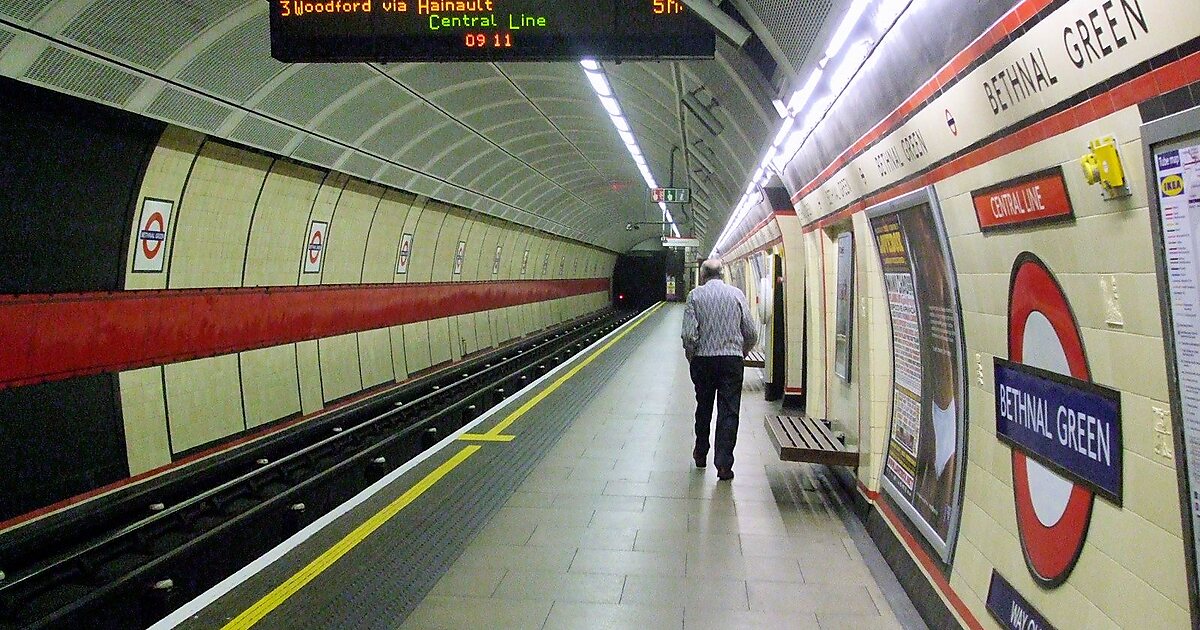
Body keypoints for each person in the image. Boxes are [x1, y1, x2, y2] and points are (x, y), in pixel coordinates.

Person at [681, 258, 758, 480]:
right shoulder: (737, 295)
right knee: (728, 411)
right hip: (731, 362)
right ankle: (724, 465)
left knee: (703, 406)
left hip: (703, 360)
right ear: (722, 275)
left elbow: (689, 335)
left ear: (703, 276)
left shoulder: (695, 296)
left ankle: (700, 452)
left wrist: (691, 356)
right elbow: (751, 333)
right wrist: (740, 352)